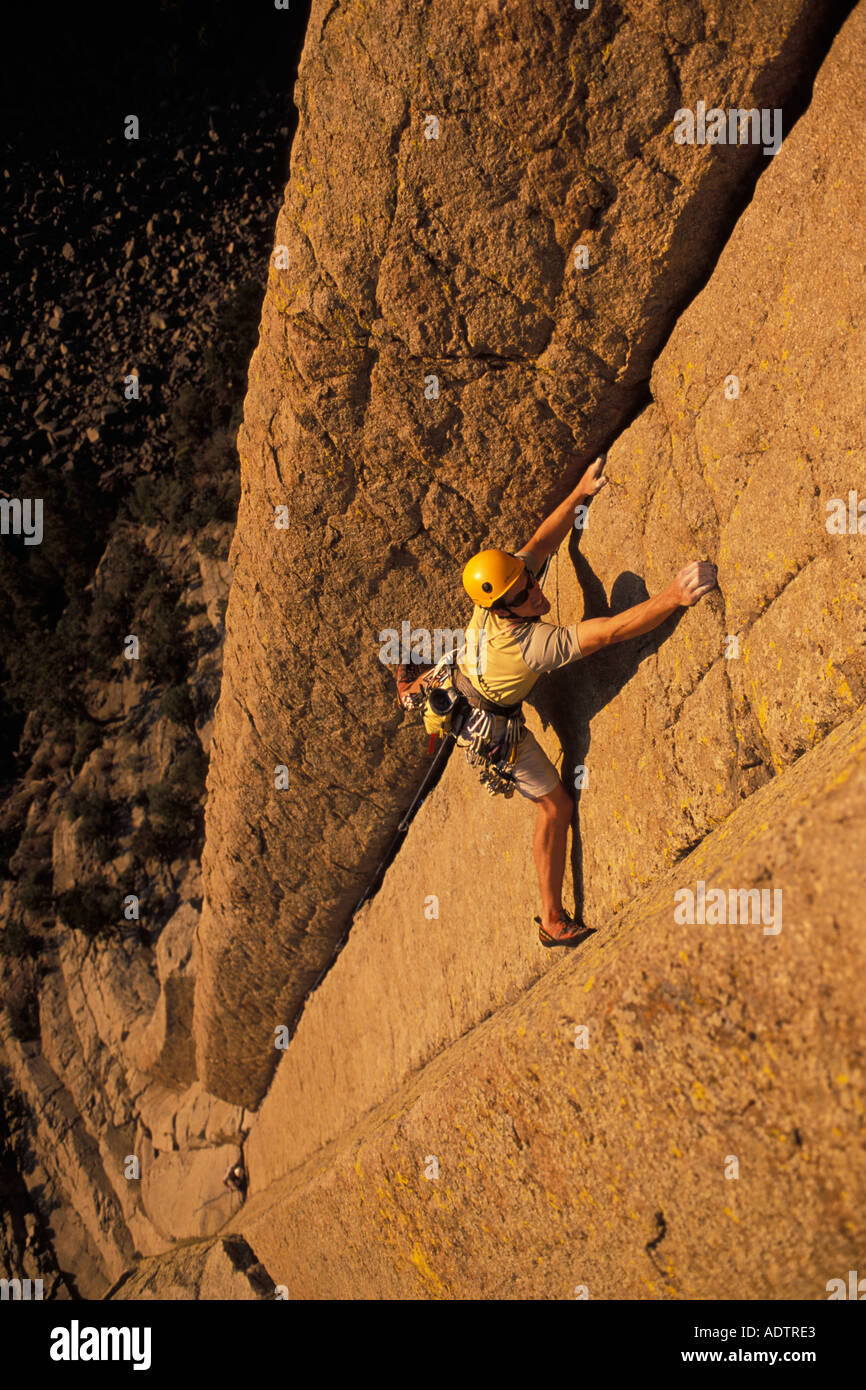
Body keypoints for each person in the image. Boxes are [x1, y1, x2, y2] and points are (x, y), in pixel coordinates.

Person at [455, 455, 718, 947]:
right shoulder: (533, 644)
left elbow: (539, 545)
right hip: (490, 725)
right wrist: (672, 597)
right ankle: (552, 922)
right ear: (501, 606)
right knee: (556, 805)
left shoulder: (499, 593)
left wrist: (579, 494)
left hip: (468, 683)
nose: (535, 589)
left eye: (529, 580)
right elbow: (610, 632)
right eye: (523, 592)